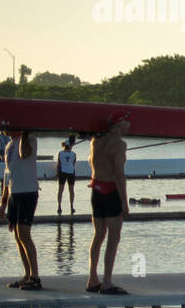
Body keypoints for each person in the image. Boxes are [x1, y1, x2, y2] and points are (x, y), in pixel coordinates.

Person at [87, 112, 131, 294]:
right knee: (113, 238)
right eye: (128, 123)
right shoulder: (119, 144)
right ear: (120, 124)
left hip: (96, 190)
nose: (130, 127)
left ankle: (92, 279)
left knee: (98, 235)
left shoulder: (95, 141)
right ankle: (107, 282)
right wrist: (125, 202)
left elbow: (92, 164)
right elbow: (120, 174)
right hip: (111, 191)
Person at [0, 131, 41, 289]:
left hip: (27, 191)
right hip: (13, 193)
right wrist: (3, 201)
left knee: (24, 233)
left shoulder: (30, 139)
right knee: (17, 236)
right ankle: (27, 274)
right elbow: (7, 172)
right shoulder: (9, 145)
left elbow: (25, 154)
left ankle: (35, 276)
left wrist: (24, 130)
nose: (4, 131)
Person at [56, 139, 78, 214]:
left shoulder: (60, 153)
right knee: (71, 190)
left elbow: (59, 164)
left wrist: (57, 174)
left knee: (60, 190)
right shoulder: (74, 154)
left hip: (62, 172)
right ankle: (72, 207)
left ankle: (59, 207)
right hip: (71, 172)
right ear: (70, 146)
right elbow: (73, 163)